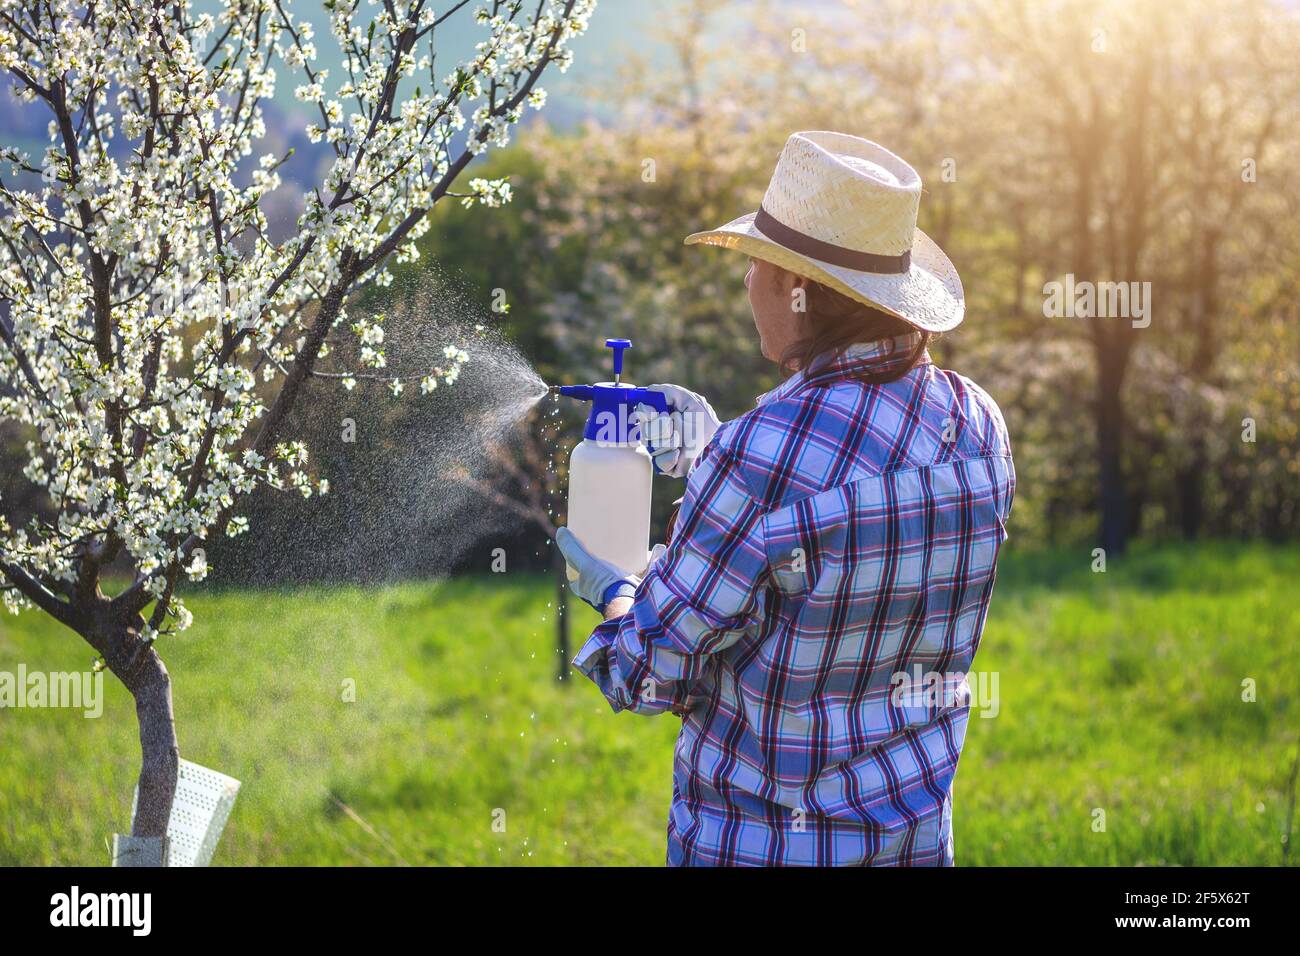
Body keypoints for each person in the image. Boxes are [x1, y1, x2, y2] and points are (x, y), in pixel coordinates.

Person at [555, 131, 1015, 866]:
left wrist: (614, 588)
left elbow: (646, 672)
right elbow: (846, 520)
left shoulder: (758, 456)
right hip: (914, 845)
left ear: (804, 293)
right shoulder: (976, 425)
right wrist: (713, 453)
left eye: (760, 265)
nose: (747, 284)